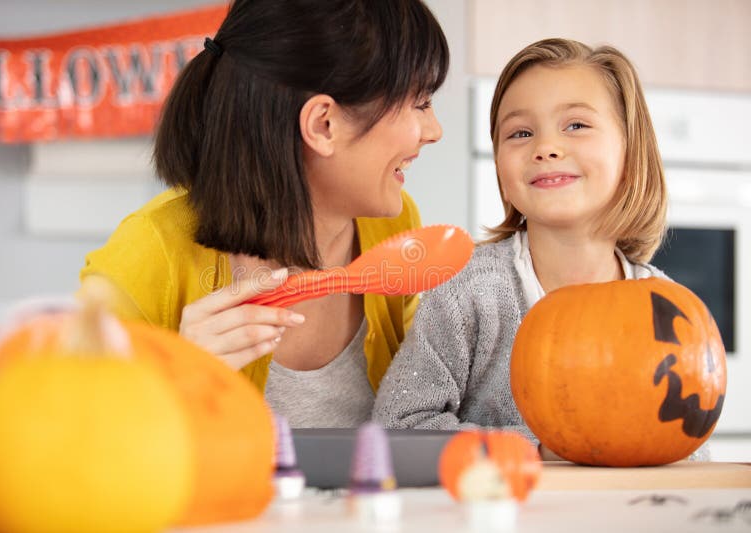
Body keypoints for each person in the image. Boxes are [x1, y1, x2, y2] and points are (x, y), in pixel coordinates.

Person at [79, 0, 448, 428]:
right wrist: (170, 388)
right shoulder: (149, 254)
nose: (434, 131)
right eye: (420, 103)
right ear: (323, 125)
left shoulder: (393, 227)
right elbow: (58, 457)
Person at [372, 38, 703, 456]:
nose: (545, 148)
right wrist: (545, 448)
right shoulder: (467, 291)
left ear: (631, 148)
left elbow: (688, 440)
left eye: (576, 125)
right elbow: (399, 424)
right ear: (498, 164)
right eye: (520, 133)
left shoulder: (670, 311)